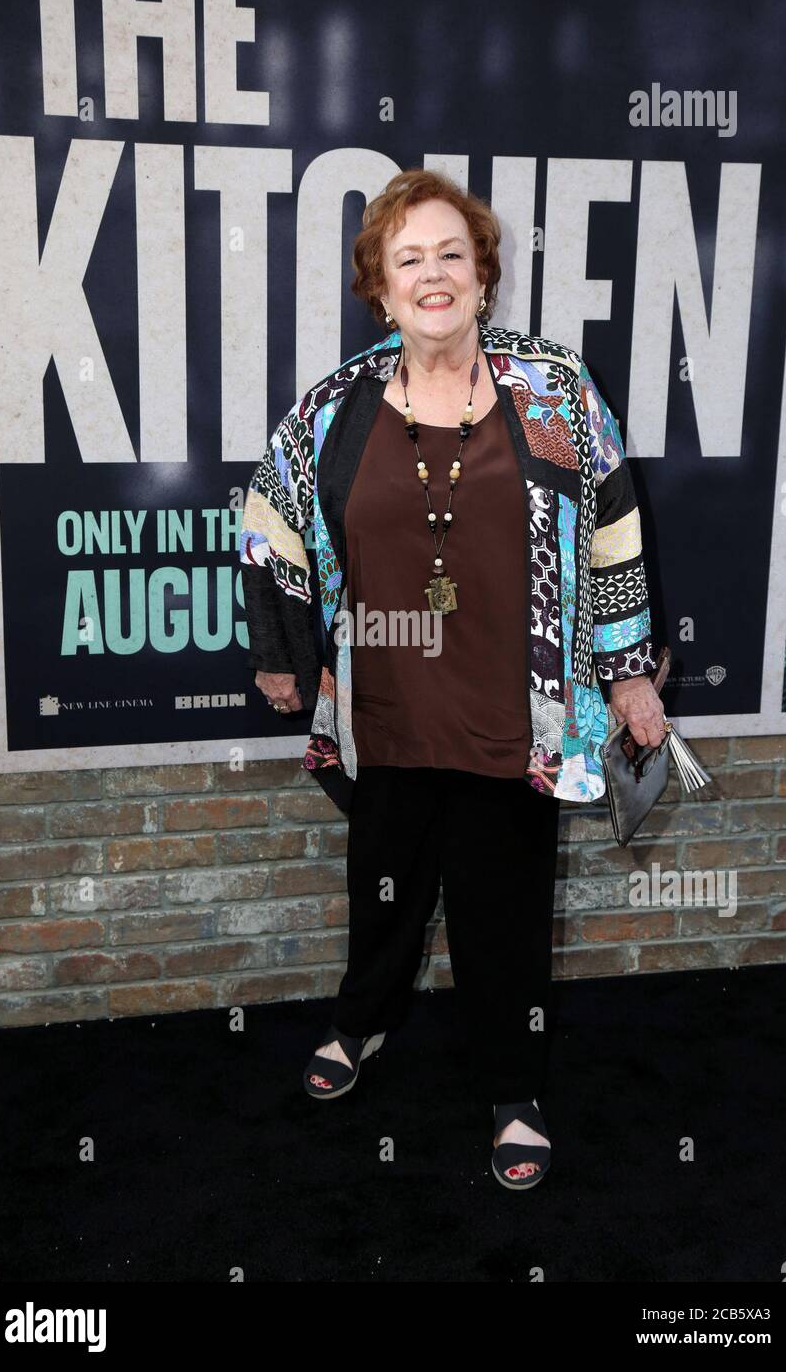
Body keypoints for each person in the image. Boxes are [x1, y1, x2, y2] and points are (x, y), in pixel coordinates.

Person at [239, 168, 666, 1191]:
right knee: (381, 890)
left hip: (513, 713)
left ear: (482, 274)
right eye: (406, 260)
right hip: (382, 708)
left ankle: (511, 1089)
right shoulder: (334, 407)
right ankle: (362, 1023)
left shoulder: (553, 391)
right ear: (380, 291)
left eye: (449, 254)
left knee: (503, 908)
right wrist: (279, 651)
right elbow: (265, 526)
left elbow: (611, 528)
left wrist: (623, 673)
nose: (431, 275)